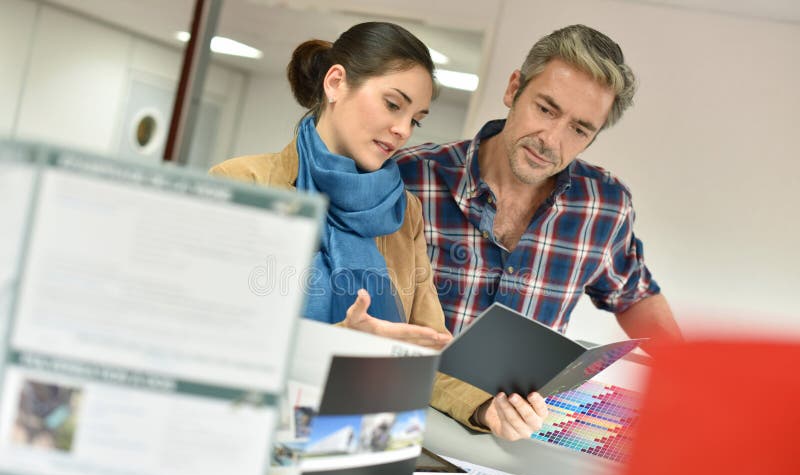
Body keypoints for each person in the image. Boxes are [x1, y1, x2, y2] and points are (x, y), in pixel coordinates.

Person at [210, 22, 523, 436]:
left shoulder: (403, 211)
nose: (403, 130)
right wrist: (344, 344)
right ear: (336, 82)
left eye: (416, 119)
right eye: (394, 105)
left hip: (368, 441)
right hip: (252, 435)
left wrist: (486, 408)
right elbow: (213, 340)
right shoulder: (242, 183)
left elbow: (425, 346)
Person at [395, 24, 681, 440]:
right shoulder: (409, 177)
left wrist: (697, 386)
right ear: (514, 89)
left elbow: (634, 294)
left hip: (513, 440)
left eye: (579, 129)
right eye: (546, 109)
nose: (551, 139)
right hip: (403, 417)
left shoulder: (603, 205)